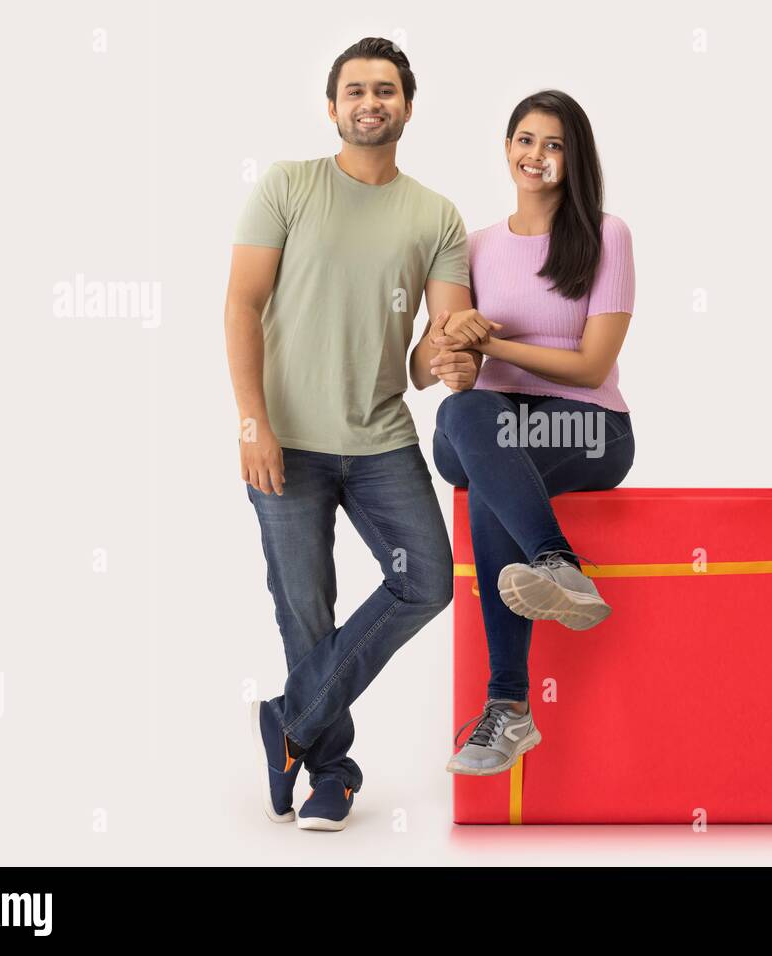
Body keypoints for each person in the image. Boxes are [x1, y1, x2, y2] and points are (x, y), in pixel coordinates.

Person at [225, 38, 482, 830]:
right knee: (304, 611)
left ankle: (289, 722)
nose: (370, 101)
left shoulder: (435, 215)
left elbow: (428, 352)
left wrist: (452, 359)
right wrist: (251, 422)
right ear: (332, 106)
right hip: (285, 440)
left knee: (428, 581)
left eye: (385, 90)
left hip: (380, 442)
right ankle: (330, 774)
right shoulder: (287, 186)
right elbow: (241, 305)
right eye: (355, 90)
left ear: (408, 104)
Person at [430, 90, 637, 776]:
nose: (537, 156)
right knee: (464, 417)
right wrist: (457, 348)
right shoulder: (474, 246)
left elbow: (590, 366)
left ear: (574, 160)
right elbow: (445, 365)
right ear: (507, 149)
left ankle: (509, 707)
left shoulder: (607, 236)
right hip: (485, 426)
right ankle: (558, 567)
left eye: (554, 145)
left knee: (493, 482)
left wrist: (496, 341)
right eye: (526, 140)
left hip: (587, 428)